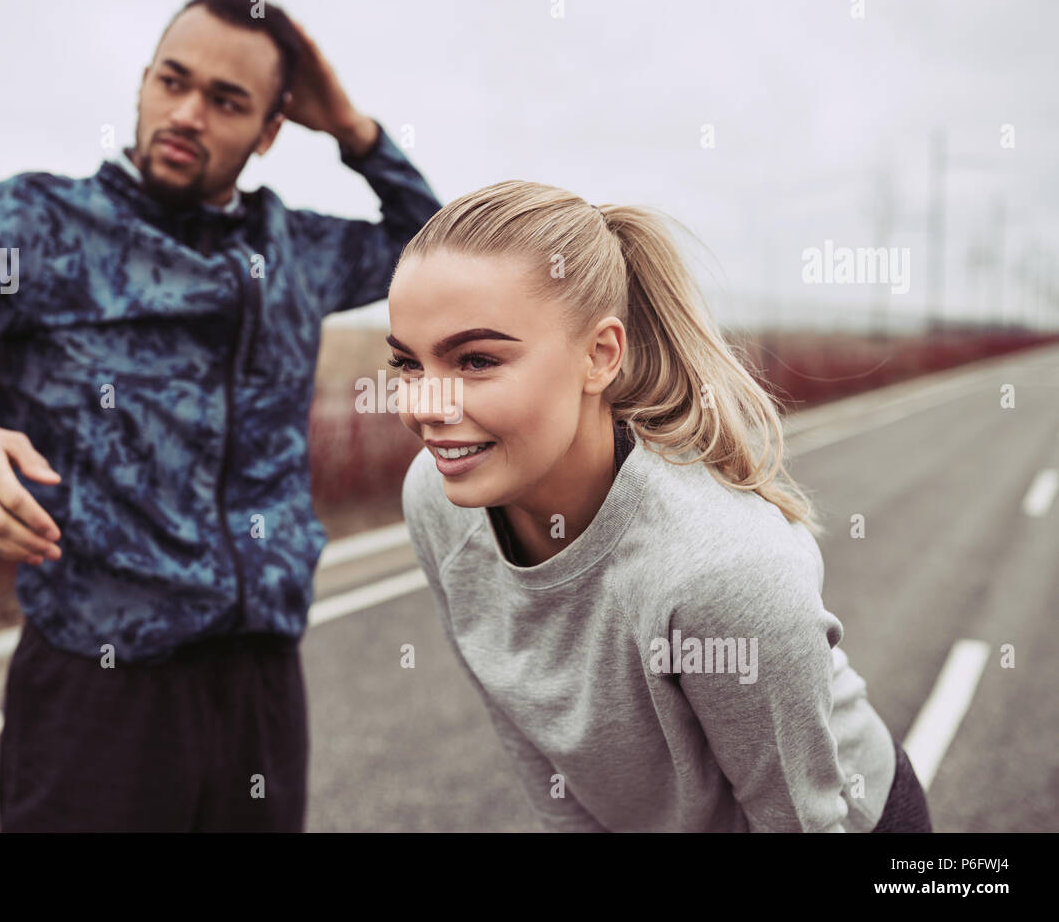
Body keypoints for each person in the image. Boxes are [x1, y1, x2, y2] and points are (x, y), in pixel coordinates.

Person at [0, 0, 441, 831]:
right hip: (97, 693)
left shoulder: (296, 250)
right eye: (172, 81)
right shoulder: (36, 228)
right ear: (143, 84)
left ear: (272, 131)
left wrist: (354, 131)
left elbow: (439, 253)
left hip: (260, 689)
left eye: (227, 100)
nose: (188, 113)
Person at [389, 180, 933, 832]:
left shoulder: (721, 571)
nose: (423, 407)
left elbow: (799, 819)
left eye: (475, 360)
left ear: (600, 356)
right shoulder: (435, 497)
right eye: (408, 366)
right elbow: (534, 748)